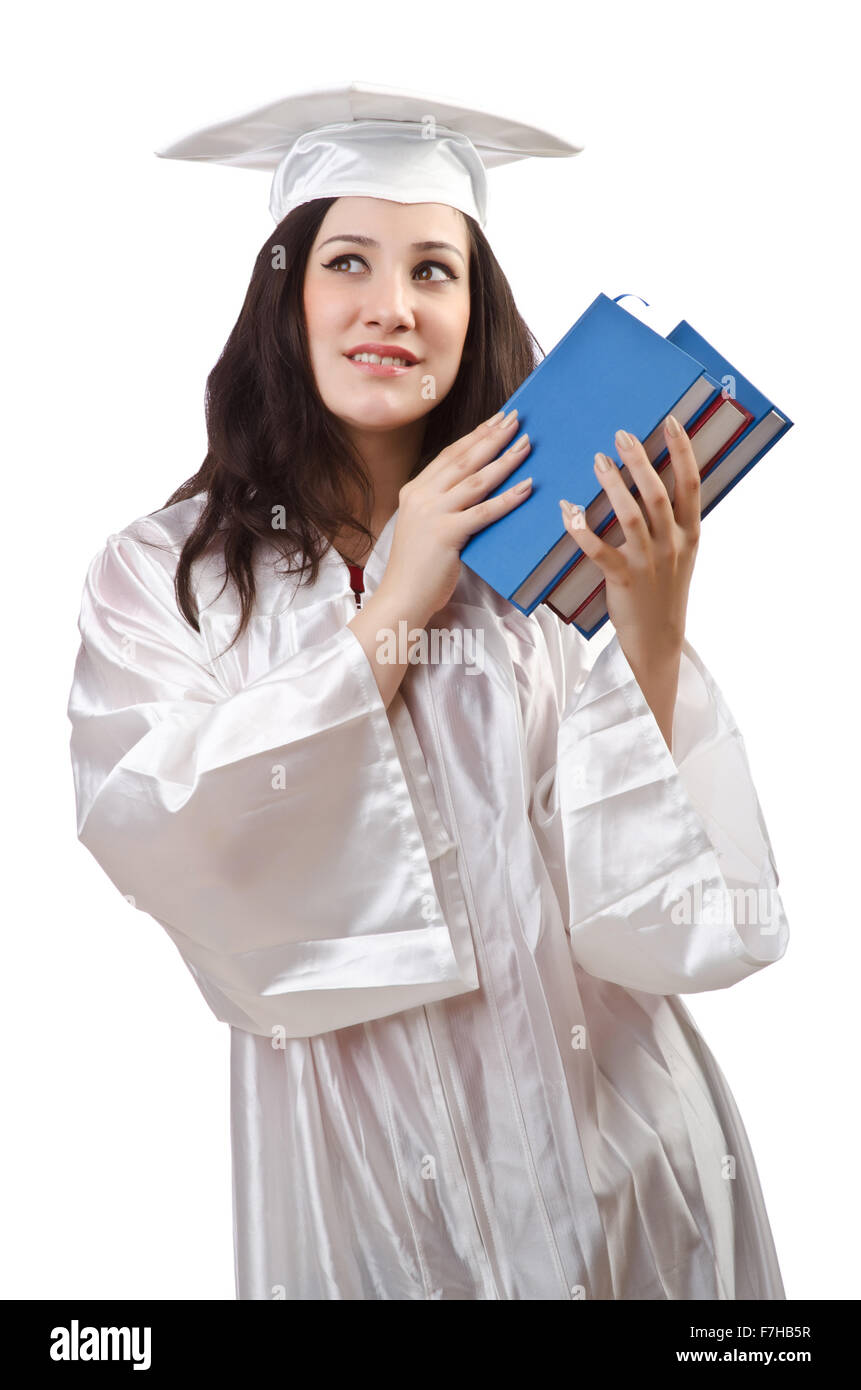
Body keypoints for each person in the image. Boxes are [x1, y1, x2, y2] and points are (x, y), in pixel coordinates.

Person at [67, 83, 790, 1300]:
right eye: (348, 260)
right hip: (362, 1179)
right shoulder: (169, 576)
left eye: (435, 272)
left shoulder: (550, 554)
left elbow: (656, 915)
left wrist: (649, 628)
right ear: (284, 294)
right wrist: (396, 599)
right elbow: (171, 837)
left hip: (623, 1160)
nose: (392, 308)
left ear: (477, 307)